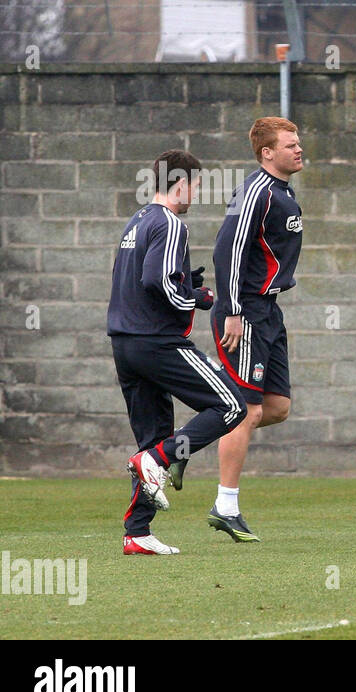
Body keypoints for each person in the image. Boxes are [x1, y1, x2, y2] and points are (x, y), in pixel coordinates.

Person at [108, 149, 247, 555]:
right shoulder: (171, 224)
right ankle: (158, 459)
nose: (195, 195)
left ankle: (137, 532)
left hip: (125, 345)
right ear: (181, 183)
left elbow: (142, 278)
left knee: (152, 439)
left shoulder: (136, 221)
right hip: (157, 342)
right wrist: (196, 297)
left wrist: (183, 280)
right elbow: (157, 281)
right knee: (231, 406)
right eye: (196, 187)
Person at [208, 117, 305, 542]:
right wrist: (231, 310)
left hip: (269, 311)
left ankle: (189, 440)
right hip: (244, 311)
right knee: (246, 411)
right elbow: (227, 250)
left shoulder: (283, 191)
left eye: (298, 142)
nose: (299, 149)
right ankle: (225, 506)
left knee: (277, 407)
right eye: (290, 144)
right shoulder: (255, 193)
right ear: (267, 153)